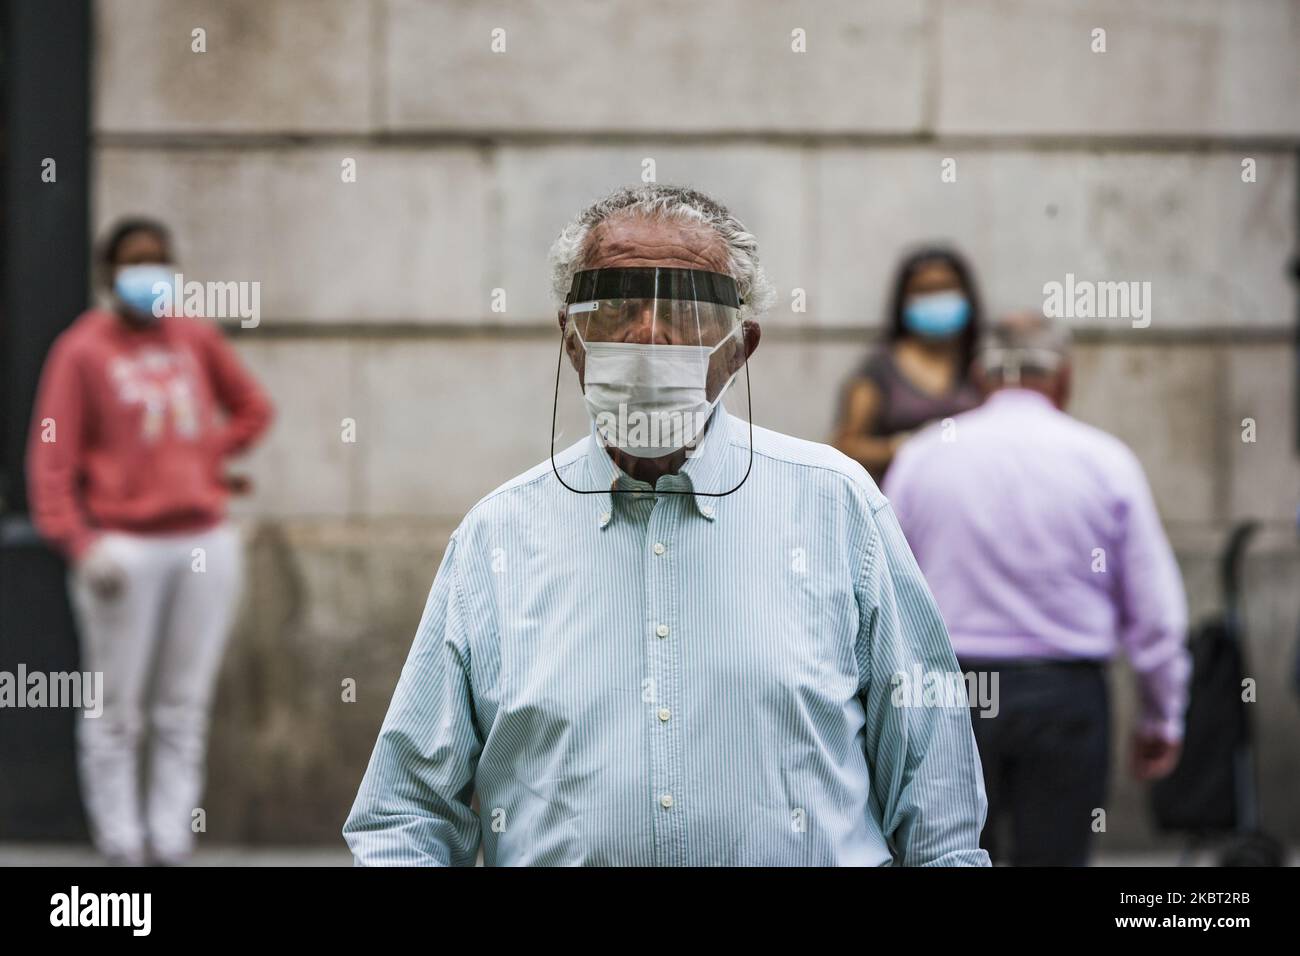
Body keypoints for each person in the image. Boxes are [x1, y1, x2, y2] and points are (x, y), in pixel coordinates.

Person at [343, 184, 989, 867]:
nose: (649, 332)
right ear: (572, 341)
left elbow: (937, 804)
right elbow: (406, 815)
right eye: (617, 306)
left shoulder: (837, 508)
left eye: (686, 309)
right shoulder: (497, 536)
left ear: (741, 348)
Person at [883, 312, 1191, 866]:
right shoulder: (1105, 461)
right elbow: (1156, 613)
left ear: (979, 375)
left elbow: (884, 592)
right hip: (1066, 696)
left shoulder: (922, 457)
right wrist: (1161, 715)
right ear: (1065, 378)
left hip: (951, 695)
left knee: (948, 855)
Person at [26, 217, 274, 865]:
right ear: (109, 274)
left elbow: (252, 407)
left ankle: (170, 839)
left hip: (203, 543)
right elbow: (50, 461)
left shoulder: (194, 336)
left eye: (161, 260)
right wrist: (78, 542)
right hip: (123, 550)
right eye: (136, 262)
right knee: (115, 709)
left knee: (182, 706)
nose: (150, 274)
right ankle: (120, 844)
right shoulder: (81, 350)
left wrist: (203, 452)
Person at [832, 246, 983, 483]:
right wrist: (903, 447)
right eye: (924, 291)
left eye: (946, 288)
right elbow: (844, 445)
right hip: (901, 507)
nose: (936, 298)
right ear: (904, 301)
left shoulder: (983, 363)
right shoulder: (879, 369)